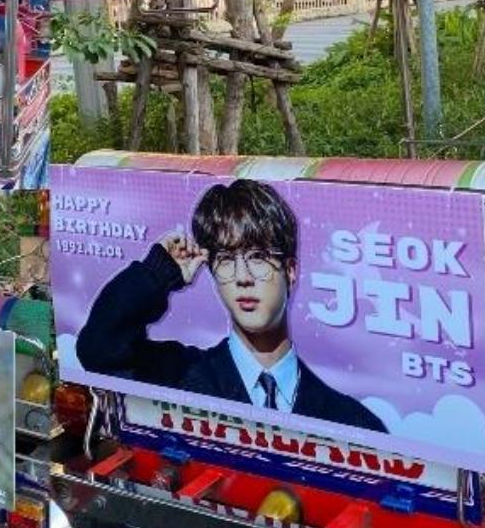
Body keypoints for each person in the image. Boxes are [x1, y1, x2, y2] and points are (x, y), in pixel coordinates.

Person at [76, 178, 386, 433]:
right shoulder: (181, 376)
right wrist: (159, 273)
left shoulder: (353, 420)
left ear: (290, 271)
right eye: (225, 260)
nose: (242, 278)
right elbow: (99, 350)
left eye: (258, 257)